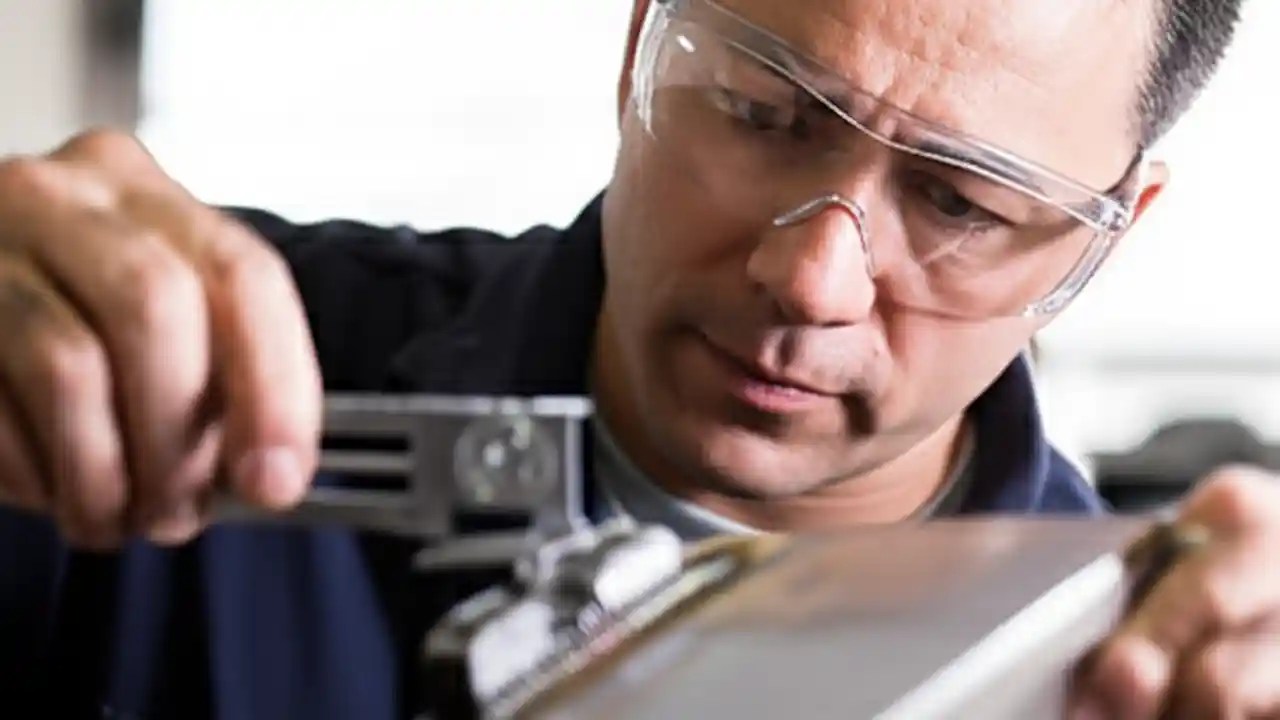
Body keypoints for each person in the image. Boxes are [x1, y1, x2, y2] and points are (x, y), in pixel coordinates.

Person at [0, 0, 1275, 716]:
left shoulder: (1142, 679)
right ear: (636, 52)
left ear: (1094, 246)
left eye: (961, 205)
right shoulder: (163, 377)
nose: (808, 278)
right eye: (760, 116)